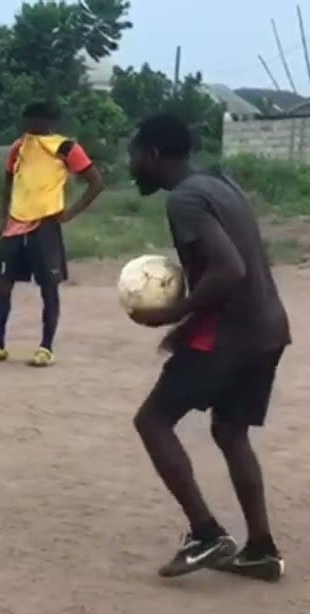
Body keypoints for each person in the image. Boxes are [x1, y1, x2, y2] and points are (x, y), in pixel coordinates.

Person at [126, 113, 291, 582]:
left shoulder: (184, 199)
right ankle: (260, 550)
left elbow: (229, 268)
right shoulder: (220, 183)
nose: (133, 164)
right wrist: (191, 321)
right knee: (231, 431)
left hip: (233, 332)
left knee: (153, 421)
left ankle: (205, 533)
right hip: (268, 328)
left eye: (136, 155)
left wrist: (172, 313)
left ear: (155, 155)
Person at [0, 101, 105, 368]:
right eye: (28, 120)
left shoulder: (66, 147)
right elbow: (8, 182)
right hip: (15, 224)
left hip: (45, 224)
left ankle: (46, 348)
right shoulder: (18, 147)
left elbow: (96, 182)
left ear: (51, 122)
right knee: (2, 286)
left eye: (37, 121)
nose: (31, 126)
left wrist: (71, 212)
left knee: (49, 288)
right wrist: (2, 216)